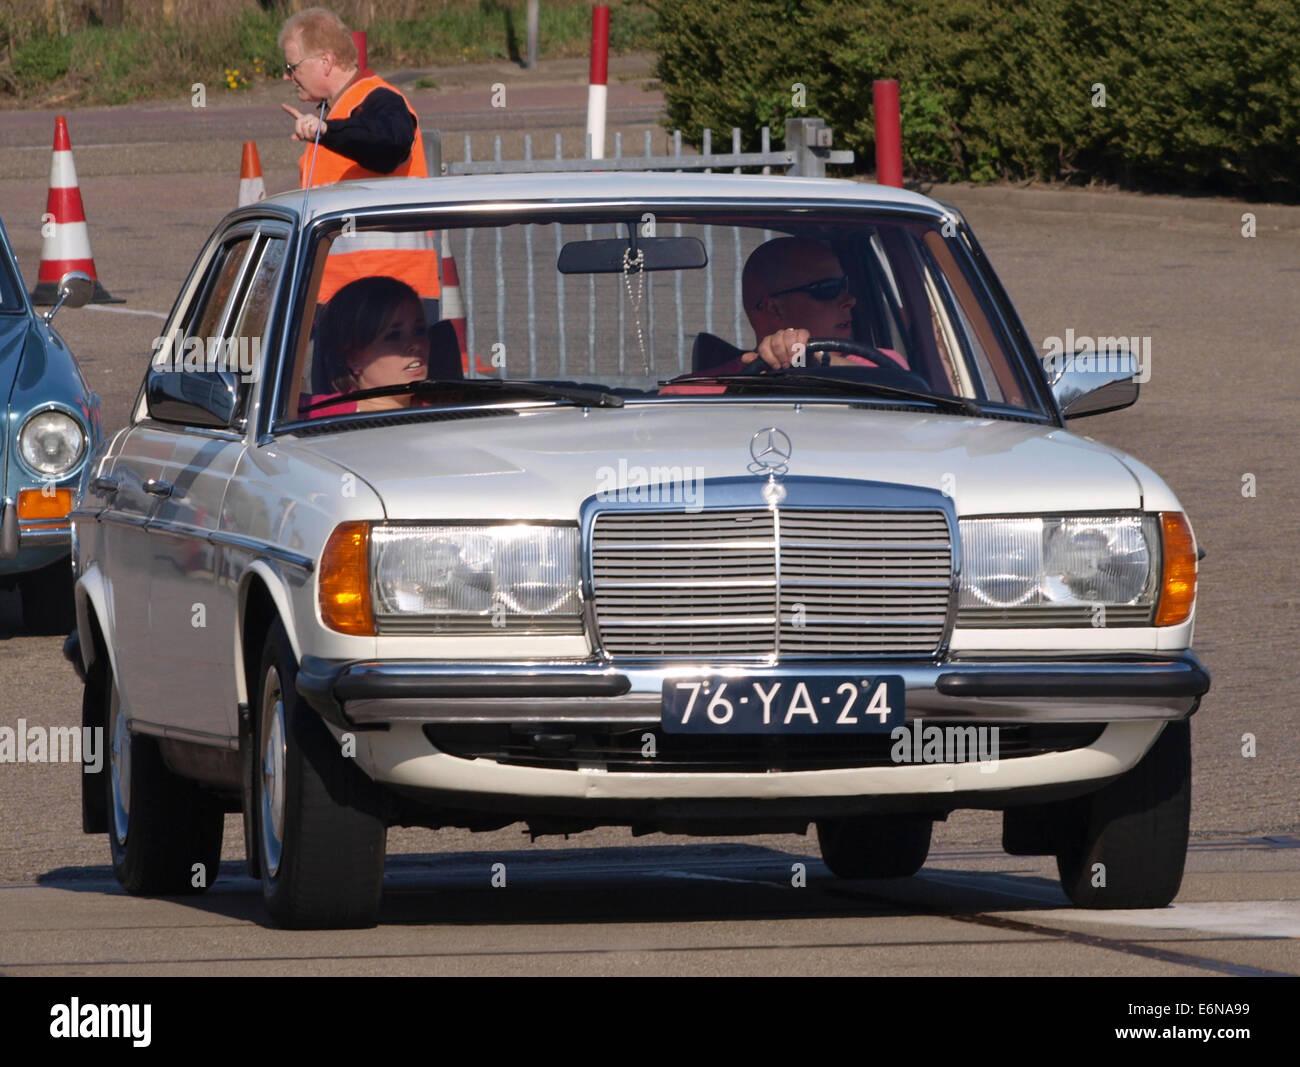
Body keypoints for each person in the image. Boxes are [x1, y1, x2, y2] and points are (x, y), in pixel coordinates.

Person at [279, 7, 440, 312]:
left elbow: (389, 143)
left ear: (326, 62)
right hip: (342, 295)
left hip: (389, 297)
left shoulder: (379, 99)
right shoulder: (335, 113)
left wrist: (327, 131)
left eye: (292, 66)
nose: (287, 75)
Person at [738, 236, 908, 373]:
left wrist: (816, 361)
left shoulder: (882, 364)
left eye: (844, 284)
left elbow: (901, 393)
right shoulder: (718, 379)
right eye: (828, 289)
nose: (850, 300)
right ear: (774, 309)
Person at [304, 276, 429, 415]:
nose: (415, 344)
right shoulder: (309, 419)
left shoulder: (450, 413)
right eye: (393, 335)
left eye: (419, 330)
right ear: (353, 358)